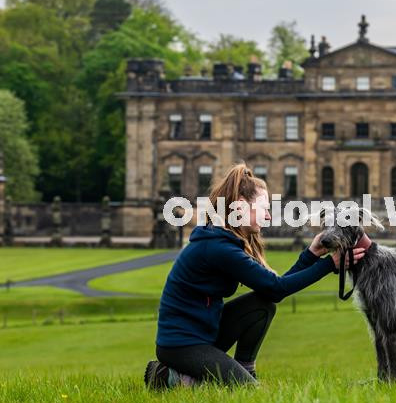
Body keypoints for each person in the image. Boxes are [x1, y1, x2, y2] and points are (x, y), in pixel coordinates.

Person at [144, 163, 364, 389]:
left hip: (206, 334)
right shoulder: (219, 248)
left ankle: (243, 370)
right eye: (264, 208)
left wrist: (311, 254)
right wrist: (330, 265)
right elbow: (277, 288)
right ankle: (167, 376)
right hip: (181, 345)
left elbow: (272, 289)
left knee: (262, 306)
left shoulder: (228, 241)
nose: (268, 216)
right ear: (241, 206)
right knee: (249, 392)